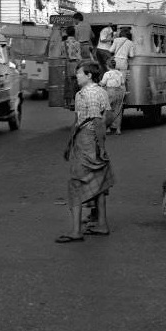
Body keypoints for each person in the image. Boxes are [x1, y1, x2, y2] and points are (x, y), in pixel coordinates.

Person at [56, 61, 115, 243]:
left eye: (79, 73)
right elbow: (107, 116)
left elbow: (95, 121)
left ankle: (75, 231)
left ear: (89, 75)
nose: (77, 76)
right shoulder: (100, 92)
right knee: (99, 184)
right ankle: (102, 224)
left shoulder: (87, 94)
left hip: (87, 141)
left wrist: (98, 146)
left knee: (76, 184)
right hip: (90, 140)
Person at [99, 58, 125, 135]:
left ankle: (108, 128)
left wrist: (98, 83)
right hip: (119, 92)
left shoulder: (107, 74)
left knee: (108, 111)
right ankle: (118, 129)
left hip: (110, 92)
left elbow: (103, 84)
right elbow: (122, 83)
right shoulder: (119, 73)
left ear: (107, 66)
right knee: (118, 111)